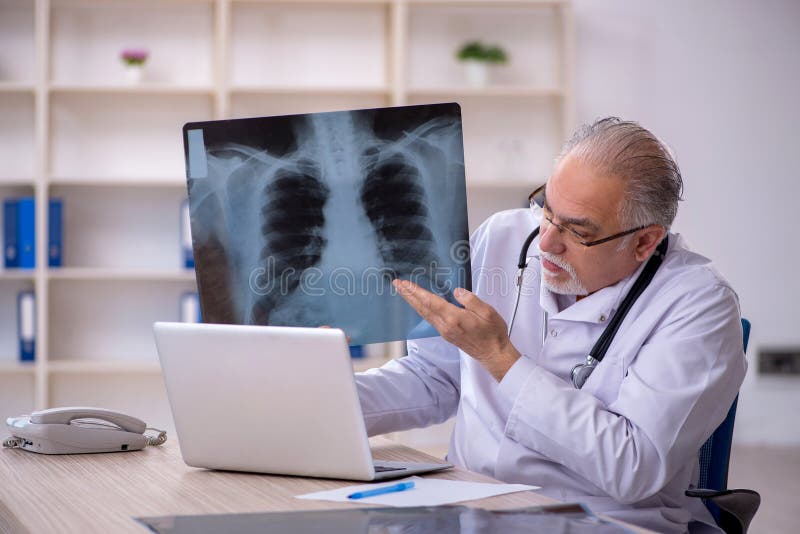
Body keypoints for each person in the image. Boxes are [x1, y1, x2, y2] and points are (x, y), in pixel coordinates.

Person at [354, 117, 747, 534]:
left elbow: (633, 466)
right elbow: (434, 377)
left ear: (644, 242)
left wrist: (501, 359)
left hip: (605, 520)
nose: (545, 242)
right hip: (467, 504)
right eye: (545, 209)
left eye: (577, 232)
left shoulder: (698, 304)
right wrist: (322, 400)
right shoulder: (502, 236)